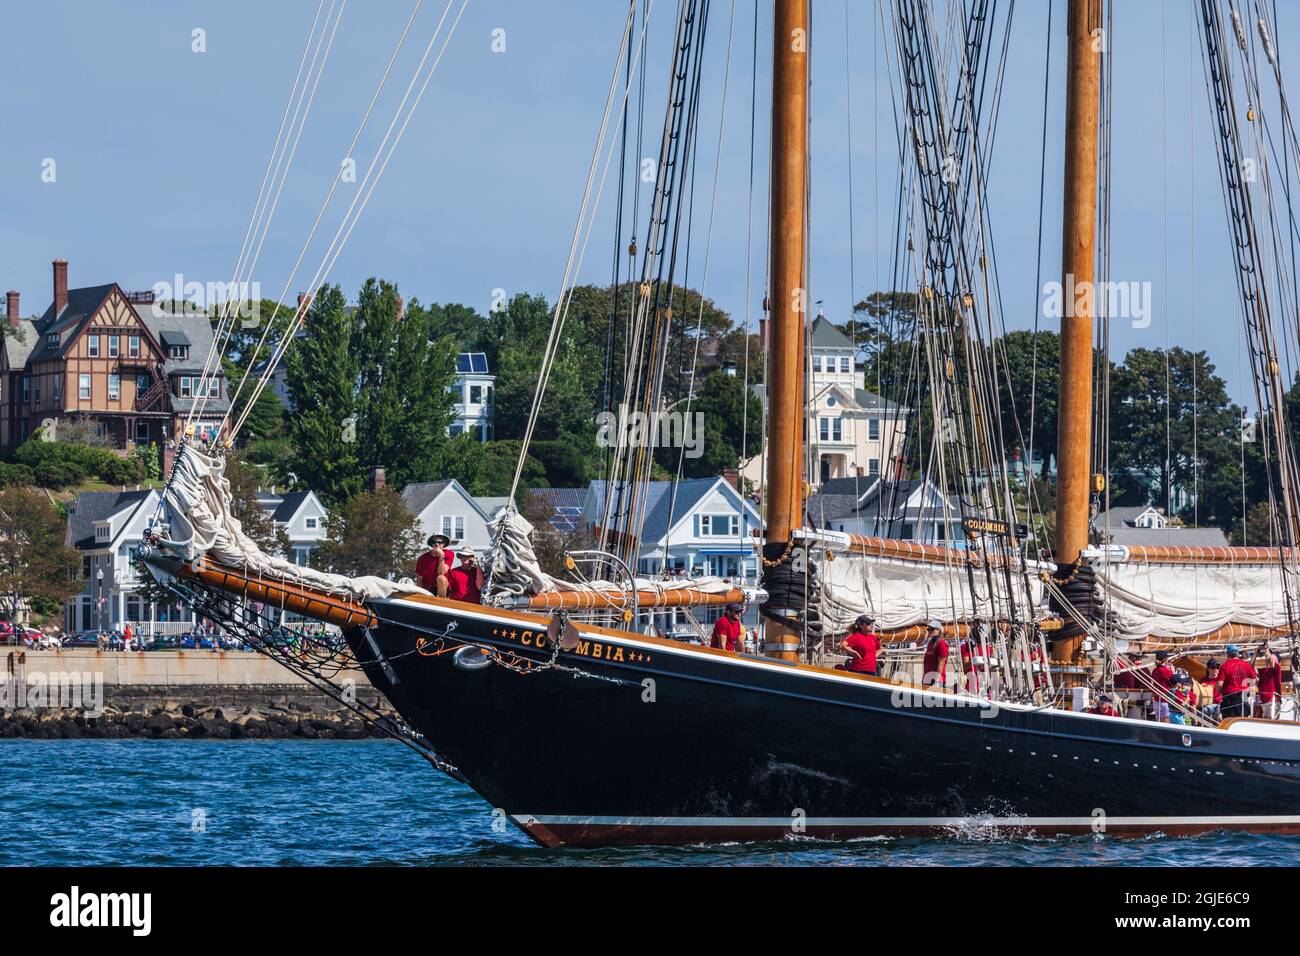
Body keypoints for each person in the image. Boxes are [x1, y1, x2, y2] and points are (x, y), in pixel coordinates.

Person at [1217, 644, 1256, 719]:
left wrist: (1221, 693)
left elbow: (1219, 685)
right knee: (1242, 720)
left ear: (1228, 654)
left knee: (1229, 721)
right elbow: (1253, 681)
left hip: (1229, 700)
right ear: (1238, 653)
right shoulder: (1247, 665)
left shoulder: (1224, 666)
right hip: (1243, 698)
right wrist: (1249, 692)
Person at [1255, 645, 1282, 720]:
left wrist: (1266, 648)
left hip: (1272, 701)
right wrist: (1255, 653)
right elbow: (1251, 666)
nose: (1269, 658)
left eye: (1272, 657)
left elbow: (1270, 659)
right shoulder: (1263, 670)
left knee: (1271, 724)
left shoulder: (1277, 668)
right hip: (1264, 702)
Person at [1149, 650, 1175, 723]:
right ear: (1165, 659)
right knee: (1166, 725)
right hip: (1165, 701)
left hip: (1157, 701)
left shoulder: (1155, 670)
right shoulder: (1166, 671)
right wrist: (1173, 671)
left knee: (1159, 723)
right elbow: (1174, 682)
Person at [922, 621, 949, 689]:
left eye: (932, 629)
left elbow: (941, 664)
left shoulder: (941, 644)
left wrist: (936, 682)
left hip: (936, 682)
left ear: (939, 631)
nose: (930, 631)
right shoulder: (931, 643)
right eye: (929, 629)